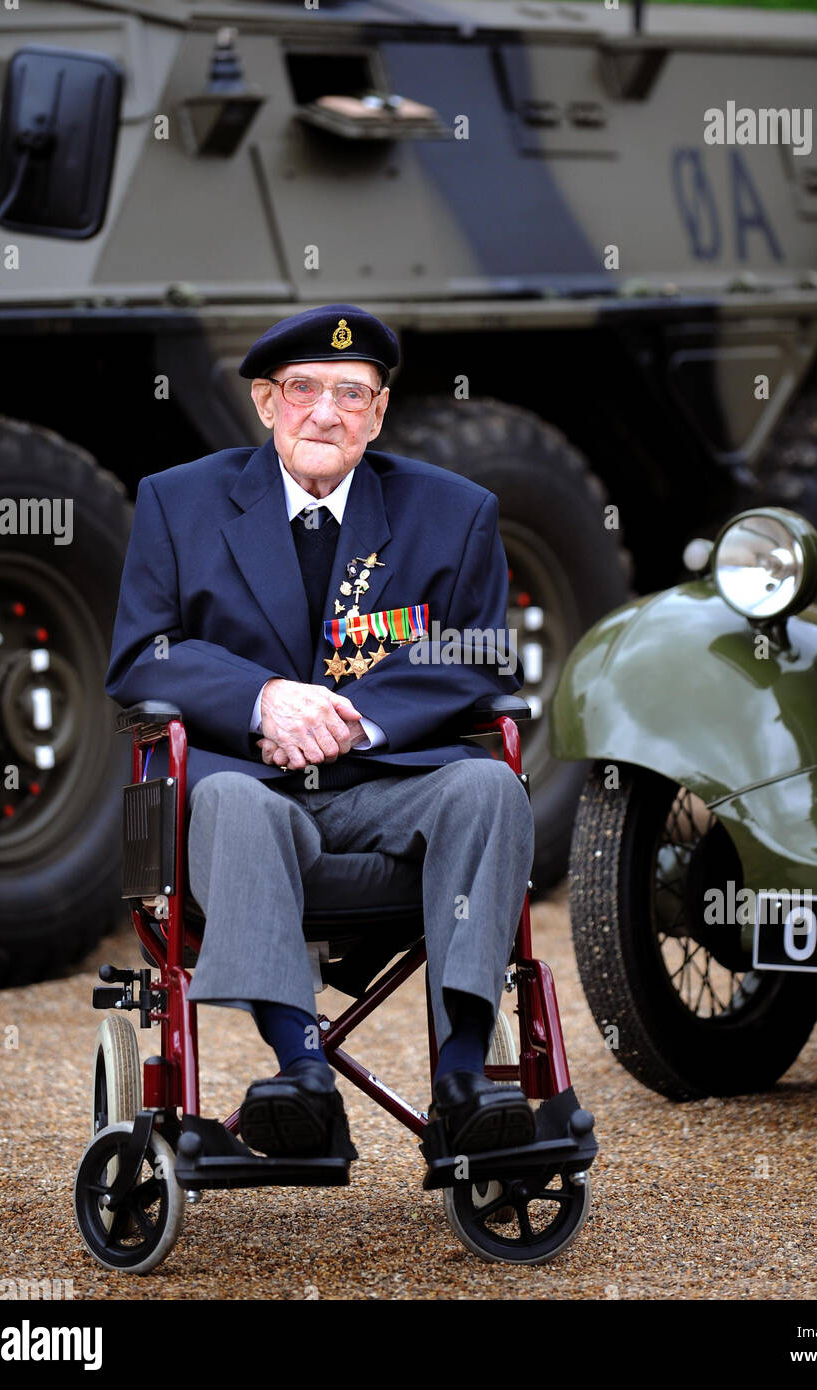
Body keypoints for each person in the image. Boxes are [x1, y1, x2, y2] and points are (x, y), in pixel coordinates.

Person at [105, 303, 537, 1160]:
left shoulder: (454, 512)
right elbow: (142, 658)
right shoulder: (177, 503)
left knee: (489, 785)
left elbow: (481, 653)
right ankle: (302, 1075)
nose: (325, 412)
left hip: (391, 787)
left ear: (378, 415)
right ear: (266, 403)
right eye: (303, 389)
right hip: (251, 792)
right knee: (227, 798)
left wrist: (351, 721)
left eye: (352, 393)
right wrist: (263, 699)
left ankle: (462, 1080)